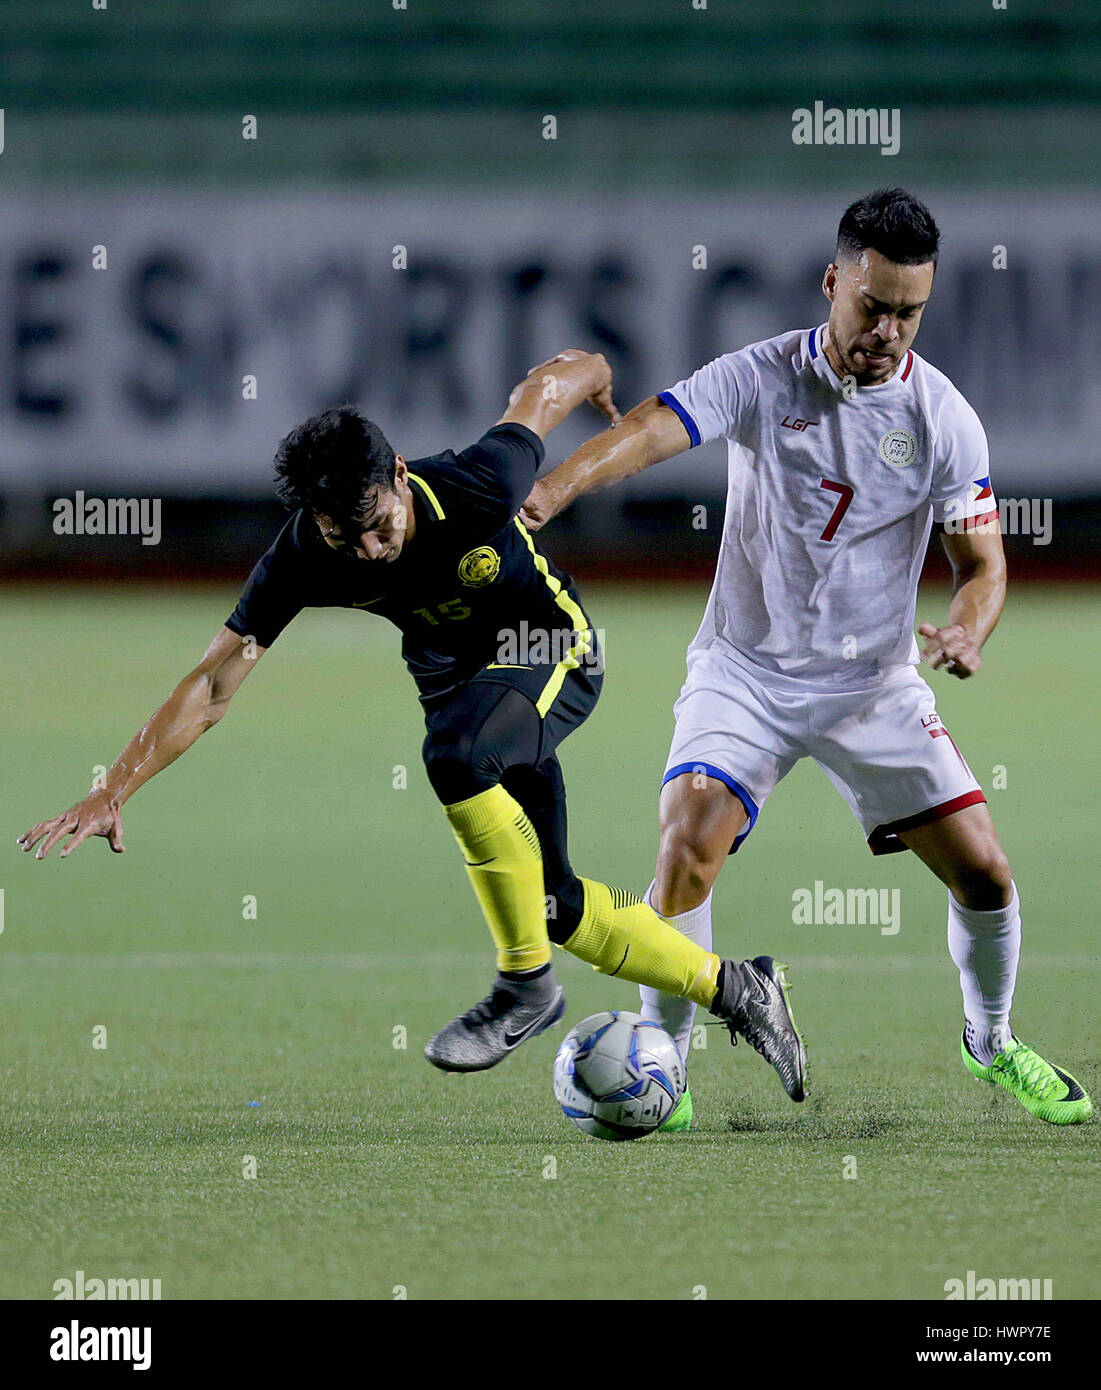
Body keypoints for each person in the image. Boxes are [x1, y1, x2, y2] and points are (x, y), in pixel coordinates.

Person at [19, 347, 805, 1098]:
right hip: (466, 692)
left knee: (455, 756)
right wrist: (114, 787)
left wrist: (595, 373)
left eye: (375, 522)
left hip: (551, 652)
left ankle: (522, 987)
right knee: (553, 901)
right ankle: (738, 987)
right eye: (339, 534)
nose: (366, 550)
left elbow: (541, 394)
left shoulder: (478, 484)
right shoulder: (304, 555)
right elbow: (213, 683)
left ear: (399, 474)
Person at [521, 190, 1090, 1129]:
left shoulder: (943, 417)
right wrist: (553, 487)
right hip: (744, 674)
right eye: (873, 306)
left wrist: (966, 630)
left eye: (909, 312)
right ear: (833, 283)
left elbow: (981, 566)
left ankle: (988, 1042)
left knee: (986, 876)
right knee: (684, 849)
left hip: (872, 685)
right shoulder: (761, 377)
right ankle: (669, 1067)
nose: (889, 331)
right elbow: (652, 429)